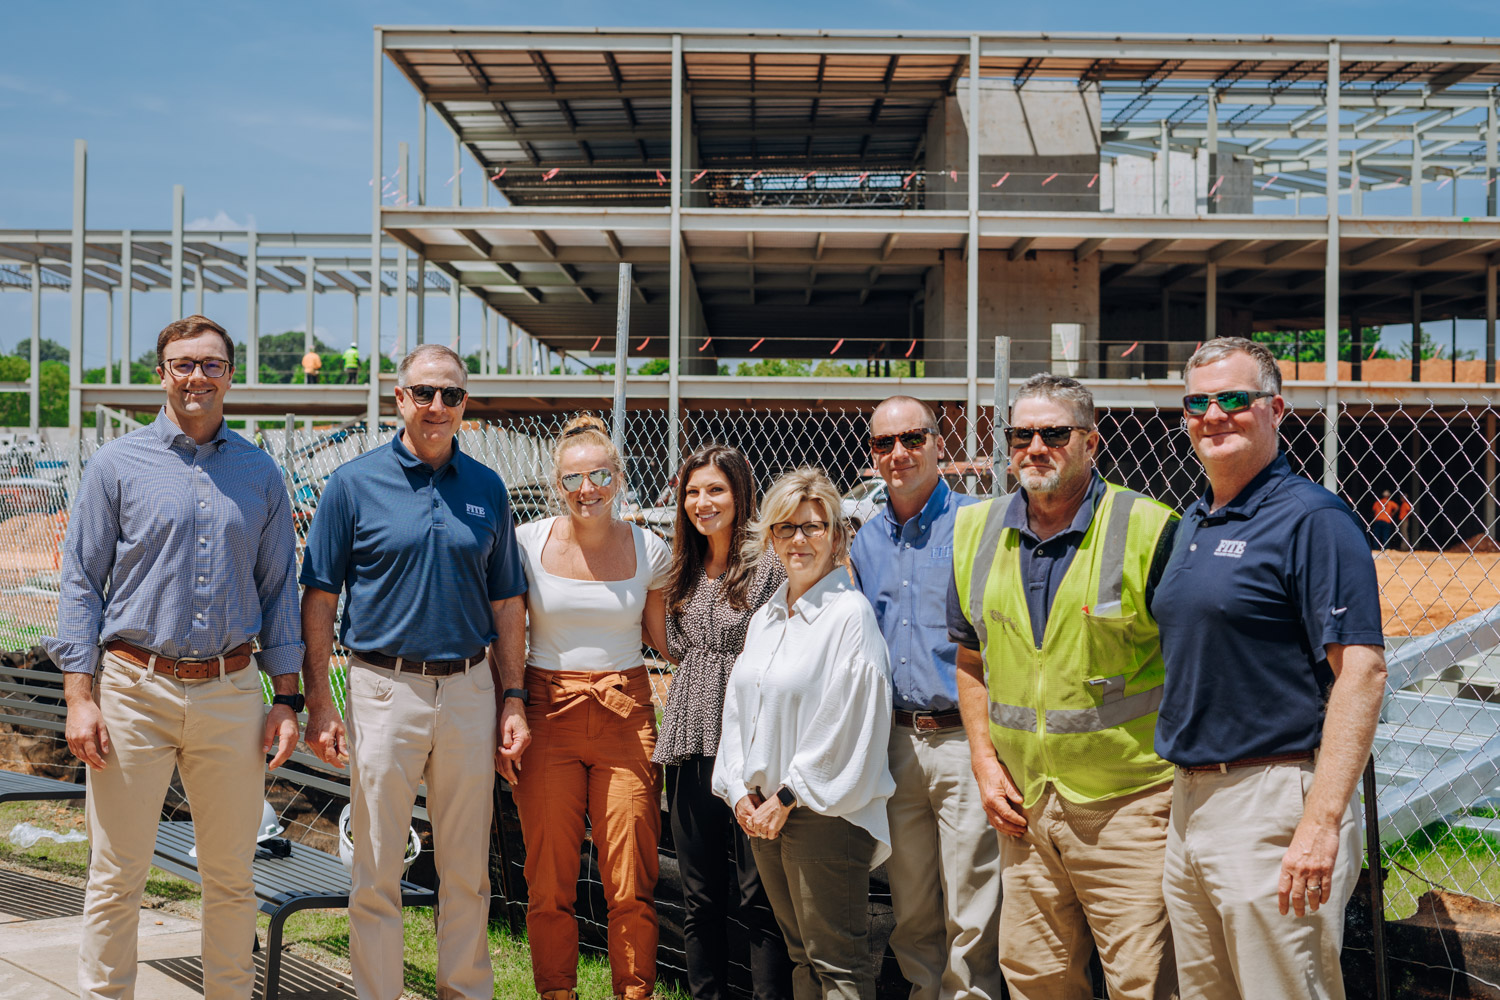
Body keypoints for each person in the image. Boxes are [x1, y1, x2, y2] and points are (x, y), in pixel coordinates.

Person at [48, 314, 304, 1000]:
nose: (196, 376)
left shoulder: (259, 473)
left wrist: (288, 698)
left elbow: (280, 588)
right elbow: (80, 579)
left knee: (231, 877)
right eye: (183, 364)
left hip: (230, 692)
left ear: (230, 375)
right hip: (134, 687)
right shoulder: (116, 466)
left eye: (211, 364)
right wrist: (80, 695)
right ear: (161, 374)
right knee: (116, 873)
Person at [1152, 337, 1387, 1000]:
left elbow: (1363, 671)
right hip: (1191, 803)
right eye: (1198, 402)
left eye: (1234, 398)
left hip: (1273, 802)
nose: (1214, 414)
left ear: (1275, 408)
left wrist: (1318, 822)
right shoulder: (1194, 520)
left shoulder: (1312, 519)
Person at [299, 343, 528, 1000]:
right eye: (424, 392)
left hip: (468, 689)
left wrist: (511, 697)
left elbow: (507, 602)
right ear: (398, 398)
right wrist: (322, 701)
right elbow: (319, 597)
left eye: (451, 395)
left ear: (465, 405)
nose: (436, 406)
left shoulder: (487, 488)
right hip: (382, 688)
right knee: (377, 868)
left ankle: (466, 991)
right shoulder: (352, 484)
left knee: (466, 872)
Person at [949, 374, 1179, 1000]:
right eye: (1020, 434)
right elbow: (971, 660)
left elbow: (1191, 664)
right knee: (1036, 978)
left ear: (1091, 442)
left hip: (1130, 804)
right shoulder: (975, 531)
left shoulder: (1149, 529)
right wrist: (983, 761)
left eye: (1054, 433)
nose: (1034, 447)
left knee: (1143, 981)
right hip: (1025, 805)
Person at [714, 466, 896, 1000]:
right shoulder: (768, 615)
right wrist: (739, 790)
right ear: (770, 537)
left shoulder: (849, 615)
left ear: (837, 535)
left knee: (837, 963)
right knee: (801, 957)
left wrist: (788, 795)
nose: (799, 539)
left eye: (813, 527)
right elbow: (738, 711)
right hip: (764, 811)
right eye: (785, 527)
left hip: (822, 814)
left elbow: (848, 721)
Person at [848, 396, 1003, 1000]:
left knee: (973, 897)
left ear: (940, 444)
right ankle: (922, 989)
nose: (899, 454)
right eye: (884, 444)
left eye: (911, 438)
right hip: (895, 742)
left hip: (965, 740)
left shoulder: (978, 523)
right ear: (872, 455)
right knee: (911, 900)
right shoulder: (863, 542)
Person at [513, 413, 672, 1000]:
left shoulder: (649, 548)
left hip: (625, 713)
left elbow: (662, 639)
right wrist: (505, 714)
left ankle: (634, 992)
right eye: (574, 478)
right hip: (544, 709)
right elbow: (508, 633)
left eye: (600, 474)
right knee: (548, 875)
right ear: (558, 485)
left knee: (630, 873)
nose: (588, 489)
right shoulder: (528, 542)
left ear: (619, 477)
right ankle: (556, 991)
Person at [653, 445, 793, 1000]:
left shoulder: (771, 565)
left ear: (741, 495)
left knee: (759, 897)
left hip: (751, 746)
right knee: (700, 896)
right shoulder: (680, 566)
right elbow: (673, 647)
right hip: (689, 742)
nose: (702, 502)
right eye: (691, 491)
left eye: (715, 490)